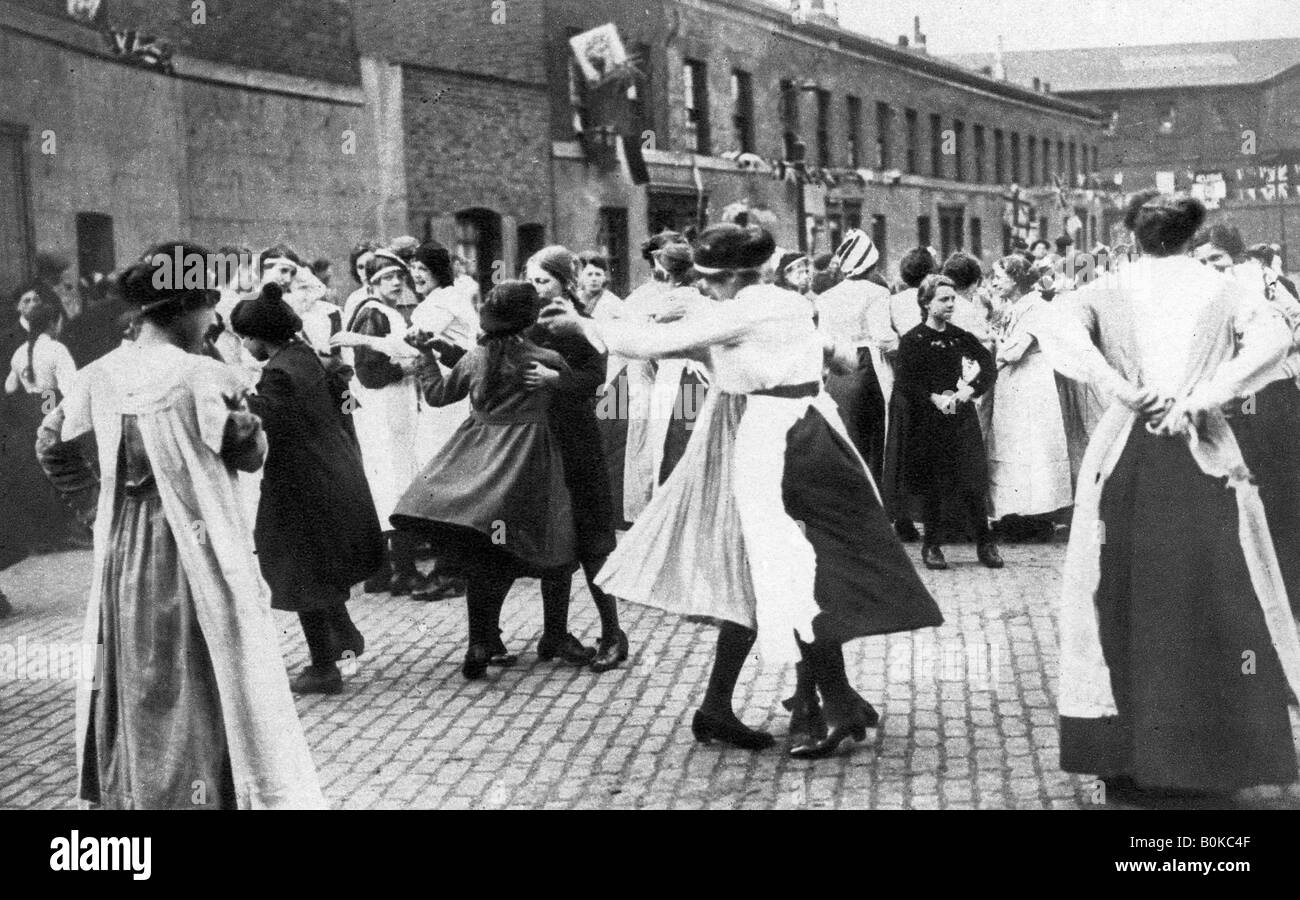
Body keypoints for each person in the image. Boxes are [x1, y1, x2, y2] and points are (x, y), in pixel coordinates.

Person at [569, 223, 942, 758]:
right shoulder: (786, 302)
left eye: (709, 281)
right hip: (815, 427)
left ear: (727, 278)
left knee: (786, 565)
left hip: (773, 438)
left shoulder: (740, 310)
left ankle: (824, 703)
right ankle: (813, 701)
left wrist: (583, 323)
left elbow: (639, 343)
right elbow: (844, 359)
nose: (706, 290)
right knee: (797, 563)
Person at [35, 241, 325, 809]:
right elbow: (247, 455)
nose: (213, 318)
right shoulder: (203, 375)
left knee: (142, 674)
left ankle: (142, 796)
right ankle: (213, 793)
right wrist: (247, 419)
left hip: (125, 550)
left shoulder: (100, 373)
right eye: (208, 306)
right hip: (196, 545)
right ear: (187, 307)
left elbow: (52, 444)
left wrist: (97, 505)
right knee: (207, 668)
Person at [1041, 194, 1300, 800]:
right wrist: (1202, 397)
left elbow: (1058, 332)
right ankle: (1211, 758)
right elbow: (1273, 344)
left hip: (1126, 458)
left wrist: (1122, 390)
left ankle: (1125, 756)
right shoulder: (1228, 288)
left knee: (1120, 596)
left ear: (1132, 236)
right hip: (1200, 457)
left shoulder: (1104, 289)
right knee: (1211, 600)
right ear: (1193, 235)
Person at [389, 282, 594, 678]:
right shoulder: (546, 358)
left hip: (479, 457)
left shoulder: (475, 358)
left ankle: (481, 642)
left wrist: (426, 355)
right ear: (530, 319)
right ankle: (555, 634)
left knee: (487, 550)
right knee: (554, 543)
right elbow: (575, 399)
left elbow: (436, 395)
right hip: (533, 459)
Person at [231, 283, 384, 695]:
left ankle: (323, 667)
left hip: (301, 477)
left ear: (261, 337)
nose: (244, 345)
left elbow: (266, 423)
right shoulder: (308, 357)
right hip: (332, 466)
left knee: (297, 566)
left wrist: (238, 399)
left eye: (245, 338)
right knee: (318, 560)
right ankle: (345, 635)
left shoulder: (279, 372)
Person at [524, 246, 627, 671]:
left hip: (578, 441)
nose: (535, 289)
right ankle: (555, 633)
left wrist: (555, 378)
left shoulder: (575, 322)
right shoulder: (530, 322)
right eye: (530, 281)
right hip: (544, 442)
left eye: (542, 281)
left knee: (593, 540)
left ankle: (613, 633)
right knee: (555, 538)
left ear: (564, 282)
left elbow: (596, 375)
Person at [1194, 223, 1300, 617]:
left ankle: (1287, 590)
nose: (1210, 267)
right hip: (1237, 403)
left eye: (1217, 259)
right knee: (1243, 494)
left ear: (1235, 257)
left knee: (1279, 491)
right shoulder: (1214, 291)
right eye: (1202, 261)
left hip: (1270, 399)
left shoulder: (1259, 285)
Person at [894, 274, 1002, 570]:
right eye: (944, 299)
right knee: (933, 482)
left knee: (972, 478)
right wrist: (932, 398)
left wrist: (970, 389)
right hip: (928, 418)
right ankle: (932, 546)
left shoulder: (958, 336)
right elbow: (904, 382)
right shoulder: (913, 340)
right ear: (926, 303)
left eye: (953, 298)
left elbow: (988, 365)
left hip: (959, 415)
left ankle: (985, 542)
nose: (951, 304)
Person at [345, 250, 435, 596]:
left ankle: (383, 570)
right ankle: (403, 569)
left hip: (392, 407)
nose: (396, 283)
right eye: (386, 278)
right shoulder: (373, 314)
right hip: (383, 408)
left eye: (399, 276)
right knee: (394, 483)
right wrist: (405, 369)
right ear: (371, 283)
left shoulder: (384, 312)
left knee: (389, 482)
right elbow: (368, 372)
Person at [985, 255, 1073, 533]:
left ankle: (1036, 514)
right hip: (1013, 385)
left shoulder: (1036, 308)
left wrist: (992, 346)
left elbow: (1014, 350)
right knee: (1011, 445)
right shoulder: (1013, 307)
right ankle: (1014, 512)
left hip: (1031, 385)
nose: (994, 281)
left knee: (1032, 447)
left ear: (1016, 279)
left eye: (1000, 276)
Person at [3, 297, 77, 553]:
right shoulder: (57, 349)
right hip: (53, 411)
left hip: (30, 415)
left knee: (37, 471)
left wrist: (30, 387)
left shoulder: (20, 352)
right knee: (61, 469)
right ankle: (63, 530)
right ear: (54, 323)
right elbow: (71, 388)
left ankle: (44, 534)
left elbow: (9, 387)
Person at [817, 229, 891, 479]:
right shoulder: (877, 293)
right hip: (865, 367)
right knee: (871, 439)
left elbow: (823, 338)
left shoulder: (826, 297)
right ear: (870, 263)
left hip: (837, 371)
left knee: (843, 435)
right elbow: (882, 336)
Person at [576, 252, 622, 321]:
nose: (594, 279)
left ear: (604, 277)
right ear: (582, 277)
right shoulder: (574, 298)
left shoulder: (612, 301)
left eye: (598, 274)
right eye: (589, 274)